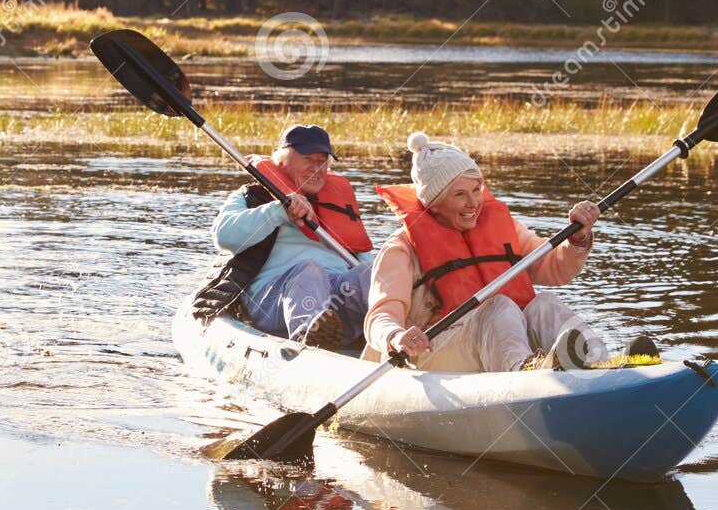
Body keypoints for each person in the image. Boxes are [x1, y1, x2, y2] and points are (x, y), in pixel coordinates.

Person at [364, 131, 627, 371]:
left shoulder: (503, 228)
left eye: (477, 189)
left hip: (495, 343)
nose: (473, 203)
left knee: (544, 304)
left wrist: (577, 241)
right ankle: (522, 372)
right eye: (460, 195)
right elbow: (380, 317)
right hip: (432, 355)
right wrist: (395, 336)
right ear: (434, 204)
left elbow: (553, 268)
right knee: (499, 306)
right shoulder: (400, 249)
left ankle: (598, 363)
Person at [209, 124, 375, 349]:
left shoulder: (339, 206)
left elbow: (367, 262)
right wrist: (278, 211)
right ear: (282, 160)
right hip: (274, 299)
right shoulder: (253, 196)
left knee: (370, 274)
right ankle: (310, 342)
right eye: (308, 159)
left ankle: (397, 338)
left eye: (322, 160)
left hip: (336, 300)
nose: (316, 168)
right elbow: (224, 236)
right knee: (310, 271)